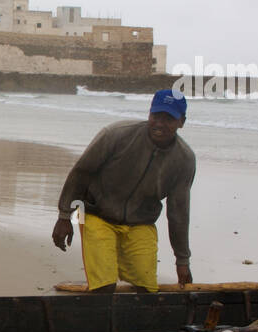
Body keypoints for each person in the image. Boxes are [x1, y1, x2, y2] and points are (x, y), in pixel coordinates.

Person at [51, 89, 196, 292]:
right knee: (104, 286)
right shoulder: (117, 135)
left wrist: (182, 259)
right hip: (96, 214)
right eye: (156, 116)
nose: (160, 124)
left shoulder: (184, 160)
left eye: (169, 118)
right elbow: (82, 172)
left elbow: (178, 213)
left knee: (146, 289)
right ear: (149, 113)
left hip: (140, 223)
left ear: (182, 121)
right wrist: (64, 215)